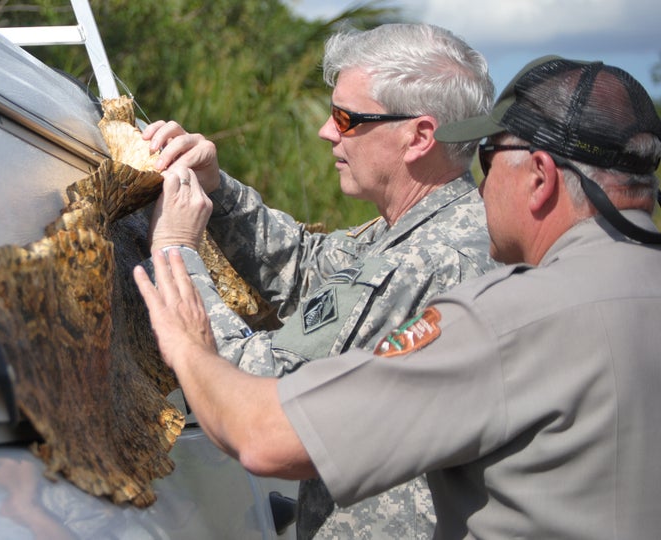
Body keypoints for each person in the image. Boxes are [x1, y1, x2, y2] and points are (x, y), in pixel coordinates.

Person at [134, 55, 661, 539]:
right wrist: (218, 192)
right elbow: (319, 273)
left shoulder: (504, 312)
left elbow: (265, 432)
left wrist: (182, 310)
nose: (480, 181)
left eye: (491, 155)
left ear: (541, 177)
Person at [142, 23, 497, 538]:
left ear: (419, 136)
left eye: (347, 119)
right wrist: (219, 190)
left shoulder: (430, 260)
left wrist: (175, 252)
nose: (326, 132)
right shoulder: (417, 230)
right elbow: (313, 271)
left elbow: (262, 391)